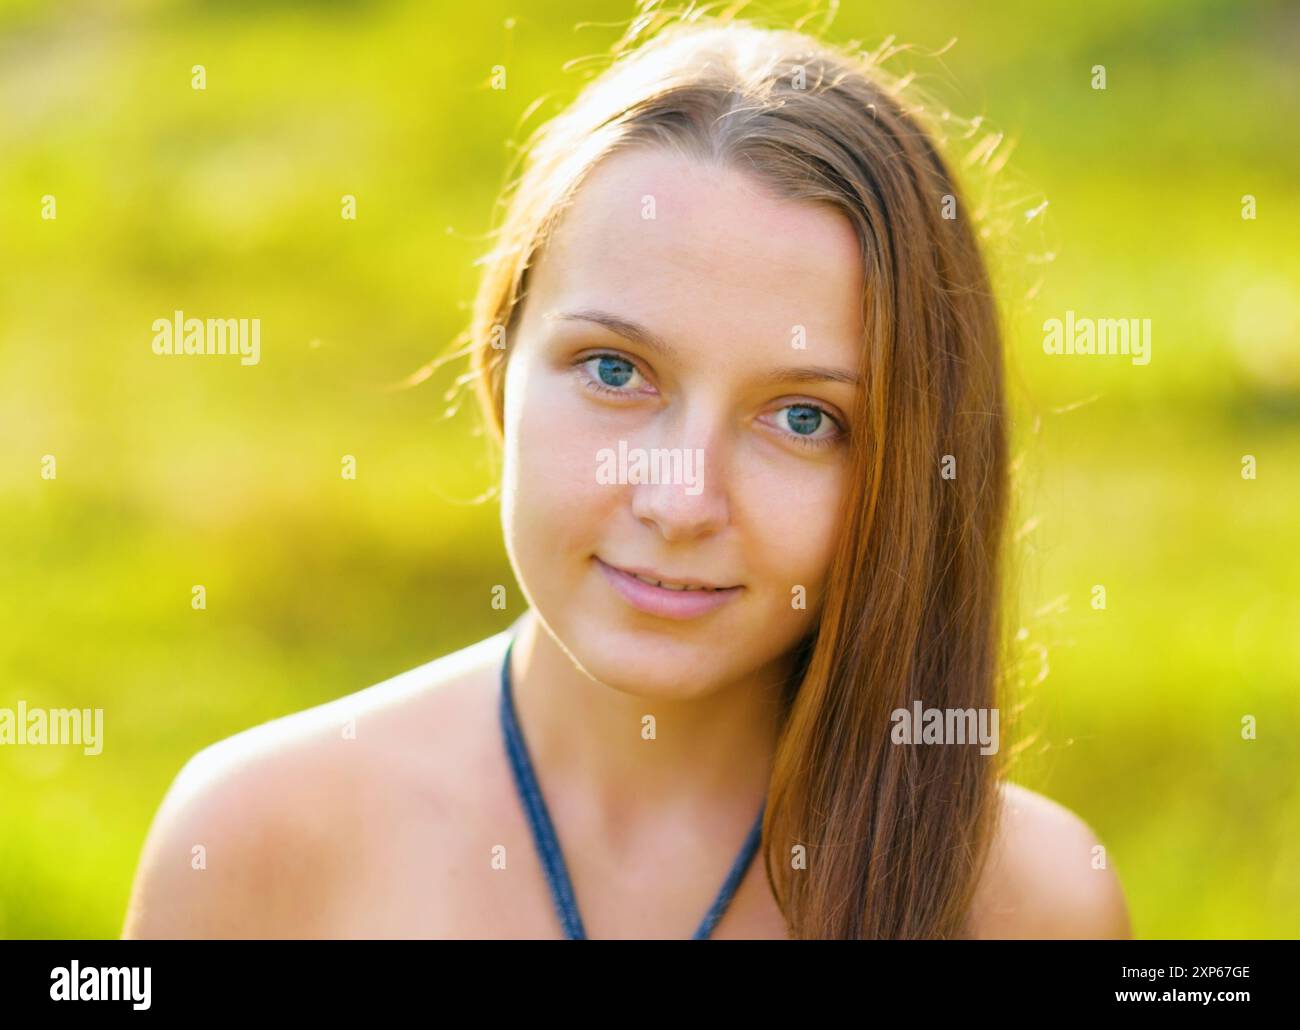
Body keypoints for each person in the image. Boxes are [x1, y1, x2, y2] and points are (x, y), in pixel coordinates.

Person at [122, 12, 1132, 940]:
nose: (679, 499)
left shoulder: (1028, 902)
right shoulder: (255, 844)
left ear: (913, 471)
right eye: (615, 371)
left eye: (801, 417)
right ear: (498, 366)